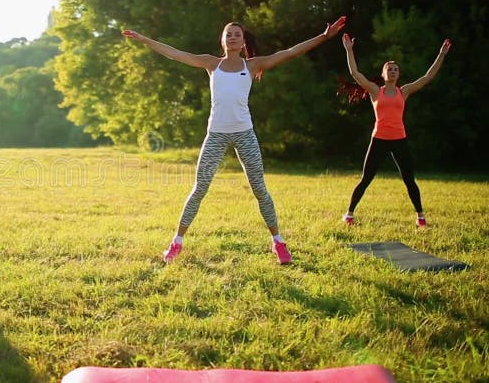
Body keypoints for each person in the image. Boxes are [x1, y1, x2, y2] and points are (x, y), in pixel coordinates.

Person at [123, 16, 346, 264]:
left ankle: (278, 242)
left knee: (259, 189)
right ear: (222, 40)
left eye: (237, 34)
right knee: (199, 189)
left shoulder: (252, 66)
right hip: (216, 135)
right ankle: (177, 242)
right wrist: (144, 40)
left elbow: (291, 52)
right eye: (228, 34)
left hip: (244, 134)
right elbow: (175, 53)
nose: (232, 37)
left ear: (242, 42)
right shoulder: (211, 64)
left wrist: (325, 37)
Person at [340, 33, 451, 227]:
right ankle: (349, 214)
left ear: (398, 75)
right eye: (389, 69)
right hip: (379, 140)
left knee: (409, 180)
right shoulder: (375, 90)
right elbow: (355, 74)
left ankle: (420, 217)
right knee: (366, 178)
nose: (392, 71)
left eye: (395, 70)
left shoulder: (404, 91)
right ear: (383, 74)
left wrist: (441, 54)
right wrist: (349, 50)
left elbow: (427, 77)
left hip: (399, 139)